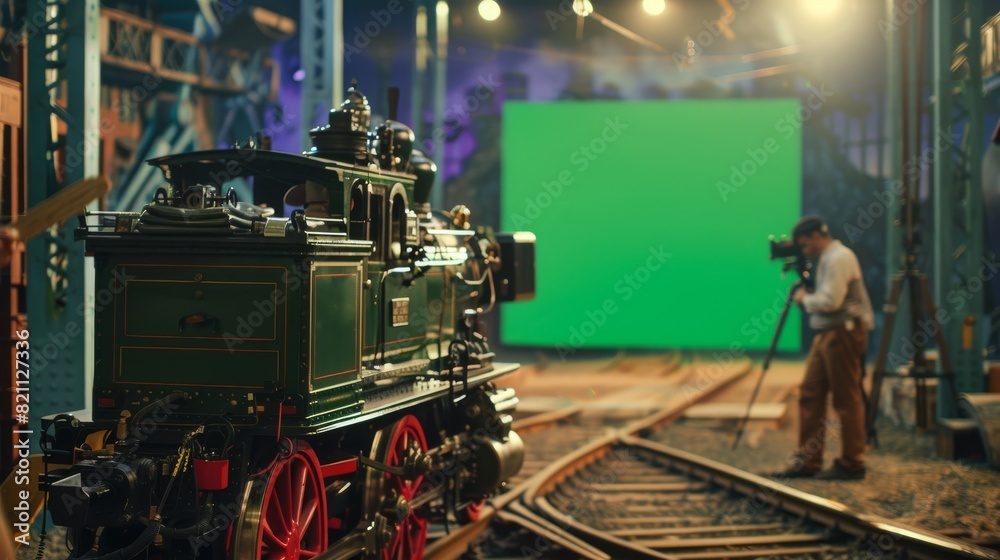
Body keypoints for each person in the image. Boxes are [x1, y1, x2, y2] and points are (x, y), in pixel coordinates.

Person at [773, 215, 874, 480]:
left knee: (846, 397)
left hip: (843, 331)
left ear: (817, 236)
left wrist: (805, 299)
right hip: (828, 332)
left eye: (805, 245)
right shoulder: (828, 259)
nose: (804, 251)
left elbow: (831, 301)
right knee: (810, 392)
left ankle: (852, 463)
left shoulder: (839, 258)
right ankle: (808, 460)